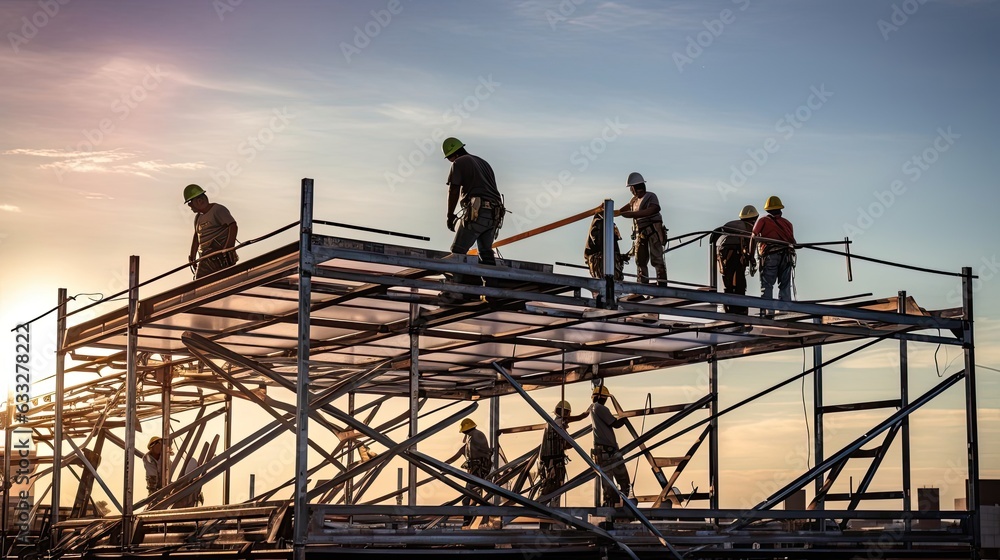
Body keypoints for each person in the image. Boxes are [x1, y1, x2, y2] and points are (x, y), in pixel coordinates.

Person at [441, 138, 505, 302]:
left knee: (457, 251)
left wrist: (449, 215)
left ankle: (454, 291)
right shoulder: (483, 162)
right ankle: (493, 293)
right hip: (495, 214)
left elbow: (454, 189)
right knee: (486, 253)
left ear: (453, 154)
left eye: (449, 158)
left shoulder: (459, 162)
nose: (450, 161)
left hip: (479, 212)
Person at [617, 172, 667, 286]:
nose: (631, 191)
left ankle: (662, 284)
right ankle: (642, 283)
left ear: (635, 187)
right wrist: (614, 212)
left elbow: (654, 209)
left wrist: (634, 214)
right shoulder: (634, 201)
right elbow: (622, 211)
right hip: (641, 233)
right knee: (640, 259)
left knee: (657, 258)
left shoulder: (650, 196)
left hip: (652, 231)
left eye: (631, 188)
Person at [751, 196, 796, 317]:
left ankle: (767, 312)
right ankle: (785, 313)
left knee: (767, 285)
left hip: (770, 256)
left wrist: (750, 257)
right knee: (785, 285)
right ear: (780, 209)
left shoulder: (763, 221)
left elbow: (753, 237)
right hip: (786, 257)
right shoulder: (787, 224)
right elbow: (794, 243)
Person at [537, 400, 588, 507]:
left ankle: (544, 504)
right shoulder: (557, 423)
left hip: (550, 461)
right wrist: (585, 414)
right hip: (554, 461)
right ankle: (543, 505)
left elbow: (565, 444)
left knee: (553, 485)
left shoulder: (554, 425)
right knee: (554, 486)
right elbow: (575, 419)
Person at [709, 205, 758, 315]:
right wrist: (751, 259)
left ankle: (729, 308)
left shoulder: (734, 225)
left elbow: (720, 233)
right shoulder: (748, 228)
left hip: (727, 256)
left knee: (729, 282)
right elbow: (752, 245)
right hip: (735, 255)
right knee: (739, 282)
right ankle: (739, 309)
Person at [185, 184, 238, 279]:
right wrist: (192, 256)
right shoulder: (198, 217)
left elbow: (233, 226)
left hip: (218, 256)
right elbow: (196, 237)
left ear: (199, 201)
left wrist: (228, 248)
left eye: (190, 202)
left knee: (201, 282)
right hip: (205, 258)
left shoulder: (218, 210)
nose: (190, 206)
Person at [445, 417, 492, 526]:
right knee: (469, 497)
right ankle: (469, 520)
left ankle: (470, 520)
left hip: (478, 472)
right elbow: (456, 456)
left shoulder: (476, 435)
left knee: (471, 496)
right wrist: (443, 465)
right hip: (474, 472)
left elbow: (485, 453)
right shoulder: (470, 441)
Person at [589, 386, 631, 507]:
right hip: (609, 451)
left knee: (607, 483)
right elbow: (616, 424)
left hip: (602, 452)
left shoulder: (592, 408)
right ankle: (620, 505)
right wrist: (625, 416)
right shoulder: (600, 408)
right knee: (623, 481)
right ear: (602, 398)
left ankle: (611, 504)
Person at [583, 210, 627, 282]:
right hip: (601, 261)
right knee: (607, 284)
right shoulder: (601, 224)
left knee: (606, 284)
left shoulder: (604, 225)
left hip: (603, 261)